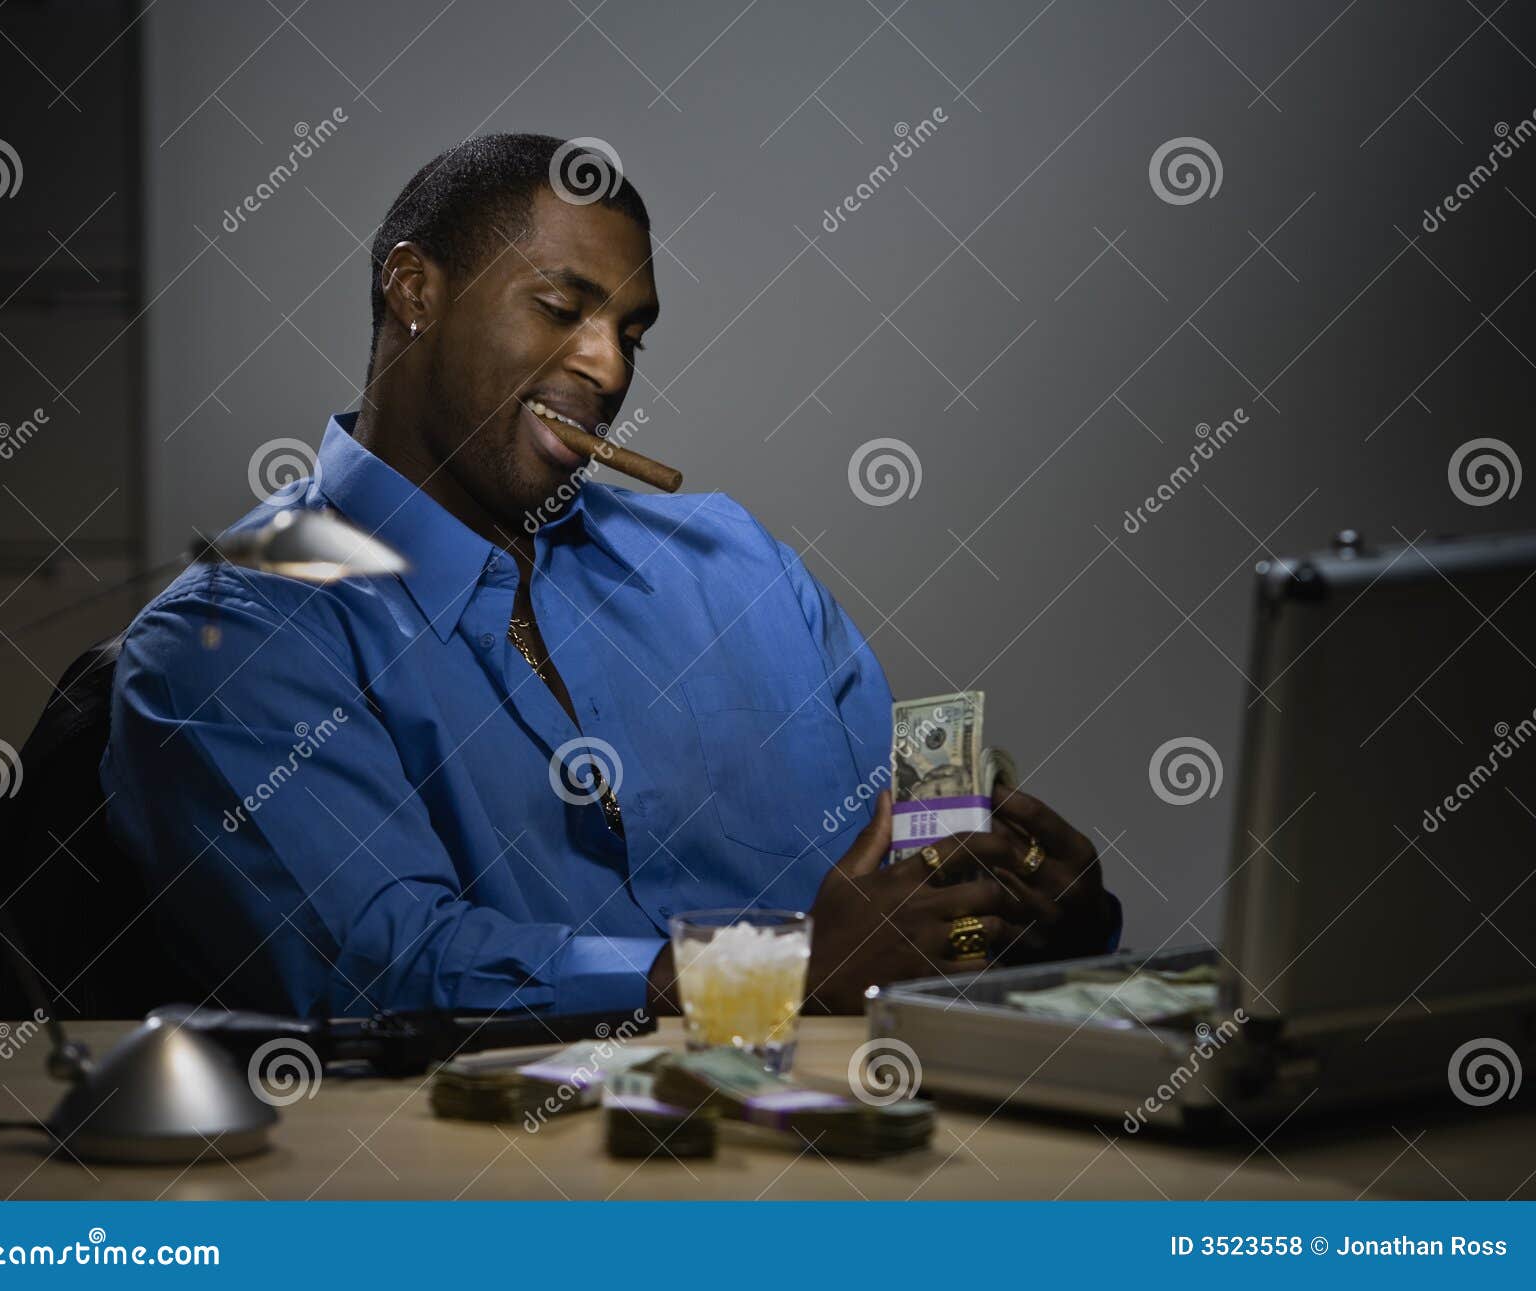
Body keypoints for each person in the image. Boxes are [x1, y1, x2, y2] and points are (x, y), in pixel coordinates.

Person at [101, 133, 1119, 1020]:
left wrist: (1019, 914)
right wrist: (769, 974)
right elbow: (379, 962)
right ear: (414, 291)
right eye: (560, 309)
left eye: (631, 332)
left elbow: (905, 882)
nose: (609, 369)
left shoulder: (736, 561)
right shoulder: (234, 633)